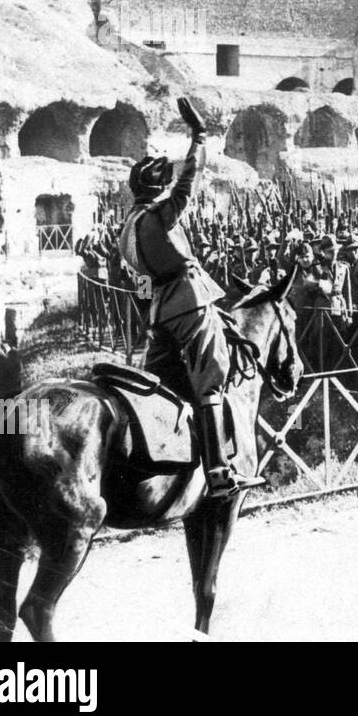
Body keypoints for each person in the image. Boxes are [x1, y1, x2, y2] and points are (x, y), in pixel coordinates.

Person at [118, 97, 261, 497]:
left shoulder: (127, 227)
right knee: (210, 382)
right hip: (190, 304)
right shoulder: (159, 216)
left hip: (159, 311)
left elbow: (140, 279)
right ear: (159, 188)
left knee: (162, 386)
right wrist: (199, 137)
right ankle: (219, 472)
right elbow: (190, 180)